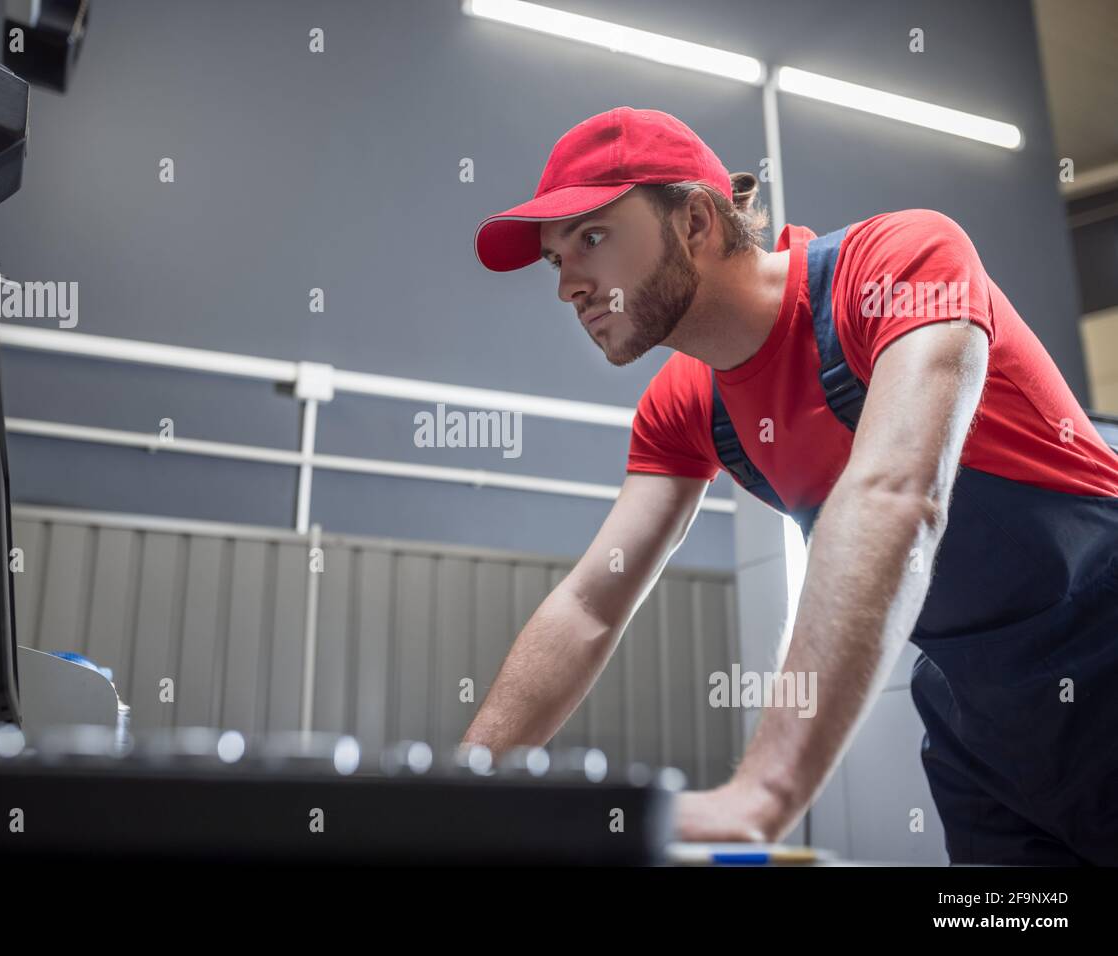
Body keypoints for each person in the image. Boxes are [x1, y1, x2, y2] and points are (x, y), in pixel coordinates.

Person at [463, 106, 1118, 864]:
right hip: (984, 728)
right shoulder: (685, 407)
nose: (568, 286)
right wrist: (467, 792)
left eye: (592, 237)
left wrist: (763, 794)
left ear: (697, 224)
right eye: (555, 260)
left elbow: (898, 494)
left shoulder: (896, 263)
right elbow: (589, 605)